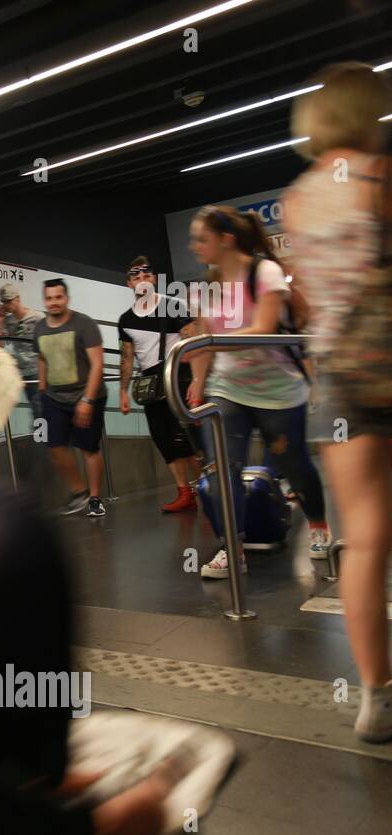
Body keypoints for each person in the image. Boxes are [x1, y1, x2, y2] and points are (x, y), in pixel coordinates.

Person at [284, 61, 392, 742]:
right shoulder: (382, 178)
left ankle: (376, 695)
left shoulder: (296, 199)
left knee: (362, 535)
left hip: (336, 377)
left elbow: (307, 300)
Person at [186, 205, 331, 580]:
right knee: (221, 468)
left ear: (225, 240)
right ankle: (233, 549)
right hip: (228, 388)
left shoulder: (264, 271)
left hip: (278, 389)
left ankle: (319, 526)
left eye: (201, 239)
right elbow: (203, 343)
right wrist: (198, 380)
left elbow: (264, 327)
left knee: (294, 466)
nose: (194, 246)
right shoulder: (211, 286)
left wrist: (212, 343)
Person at [117, 256, 200, 513]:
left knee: (187, 437)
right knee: (163, 438)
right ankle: (184, 492)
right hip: (151, 382)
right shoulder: (126, 320)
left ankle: (208, 487)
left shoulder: (174, 306)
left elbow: (195, 344)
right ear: (129, 283)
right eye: (136, 276)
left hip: (179, 374)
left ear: (154, 279)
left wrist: (197, 380)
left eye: (146, 275)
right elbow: (127, 357)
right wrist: (122, 390)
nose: (142, 279)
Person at [34, 279, 107, 517]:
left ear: (67, 299)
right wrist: (42, 389)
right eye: (49, 298)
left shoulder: (84, 324)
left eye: (58, 297)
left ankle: (95, 499)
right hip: (55, 397)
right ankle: (80, 492)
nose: (54, 302)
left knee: (88, 449)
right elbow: (42, 358)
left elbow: (97, 364)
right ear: (45, 300)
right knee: (54, 446)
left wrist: (87, 400)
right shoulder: (40, 328)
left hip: (86, 394)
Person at [0, 281, 44, 410]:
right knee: (35, 407)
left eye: (8, 301)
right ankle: (42, 429)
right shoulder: (8, 321)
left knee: (39, 409)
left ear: (18, 298)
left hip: (37, 371)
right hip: (21, 372)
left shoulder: (37, 317)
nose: (6, 305)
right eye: (3, 302)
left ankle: (44, 430)